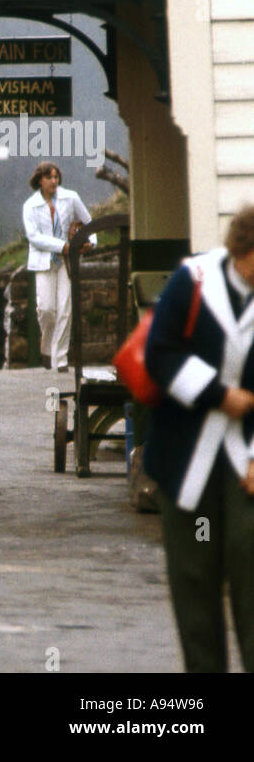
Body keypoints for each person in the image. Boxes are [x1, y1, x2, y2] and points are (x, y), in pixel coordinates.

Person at [144, 204, 254, 672]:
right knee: (193, 583)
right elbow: (160, 353)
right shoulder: (193, 280)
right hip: (184, 455)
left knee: (249, 563)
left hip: (246, 459)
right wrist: (216, 395)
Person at [22, 162, 95, 371]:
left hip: (66, 261)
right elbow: (34, 237)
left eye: (56, 177)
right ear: (40, 180)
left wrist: (91, 243)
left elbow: (88, 222)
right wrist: (62, 246)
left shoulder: (70, 197)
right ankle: (46, 347)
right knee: (46, 309)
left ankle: (60, 359)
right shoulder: (30, 205)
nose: (54, 181)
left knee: (65, 308)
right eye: (49, 177)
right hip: (44, 260)